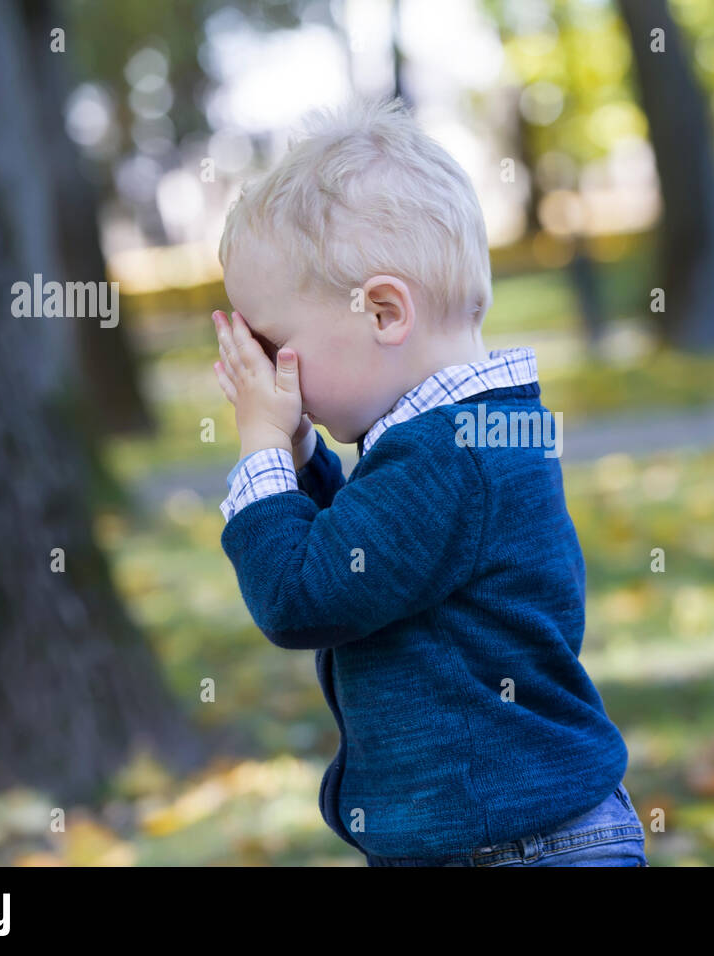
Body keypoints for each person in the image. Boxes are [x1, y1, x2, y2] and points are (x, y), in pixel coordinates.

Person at [210, 96, 646, 866]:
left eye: (276, 344)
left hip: (518, 848)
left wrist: (260, 451)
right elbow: (368, 557)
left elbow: (301, 597)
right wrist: (305, 457)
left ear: (382, 312)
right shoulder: (467, 438)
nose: (271, 376)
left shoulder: (448, 459)